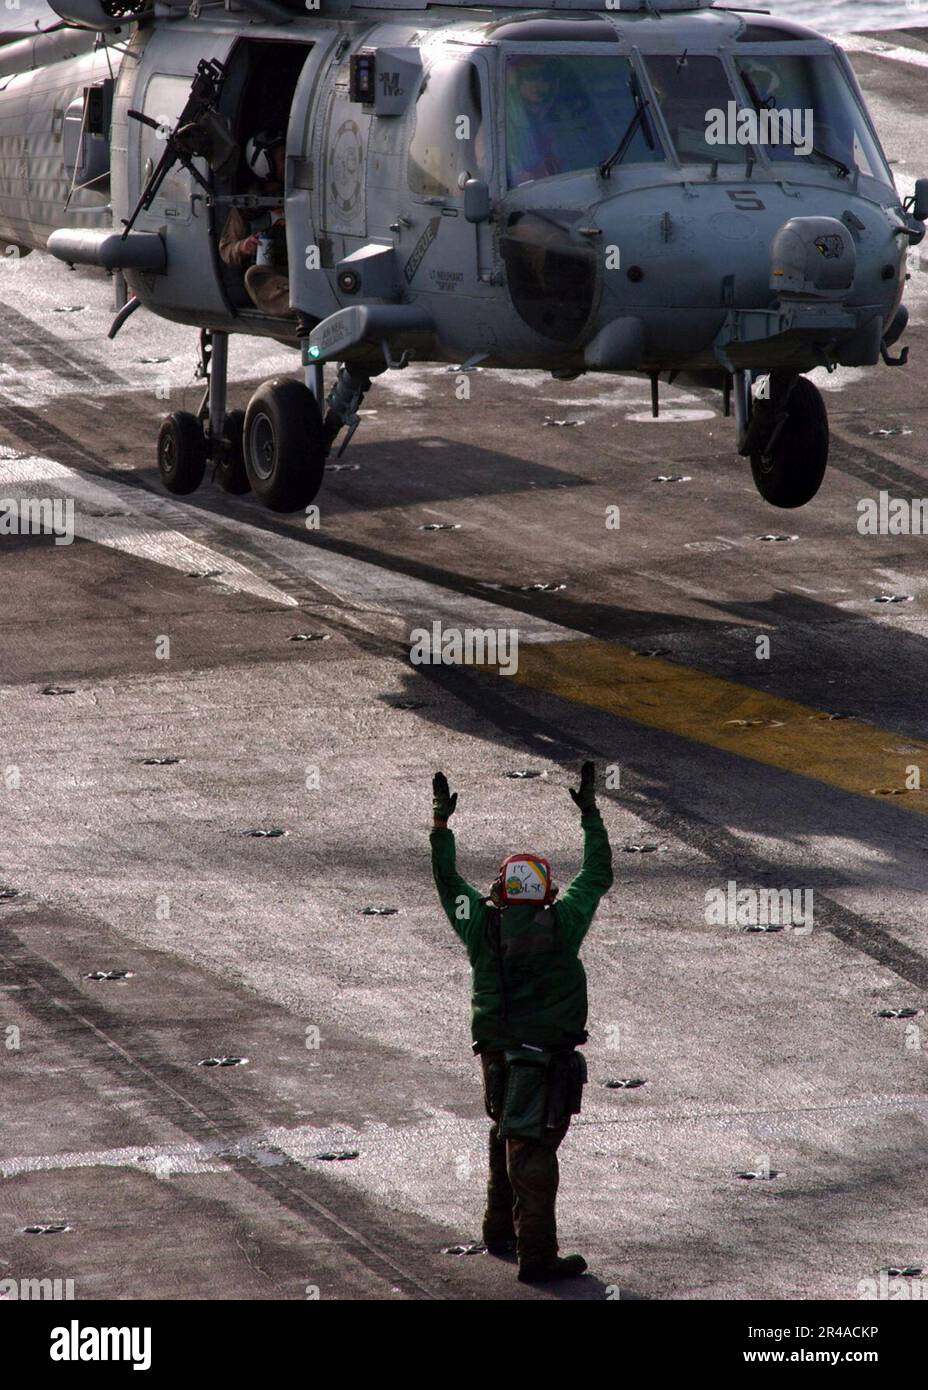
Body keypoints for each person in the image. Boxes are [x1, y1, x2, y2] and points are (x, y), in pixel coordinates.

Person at [430, 761, 613, 1283]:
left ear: (501, 892)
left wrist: (442, 825)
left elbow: (447, 881)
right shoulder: (565, 921)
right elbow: (598, 875)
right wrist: (591, 817)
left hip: (495, 1051)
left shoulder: (481, 926)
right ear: (547, 893)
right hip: (544, 1054)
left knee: (505, 1131)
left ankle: (499, 1230)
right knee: (531, 1149)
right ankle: (536, 1256)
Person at [218, 131, 293, 319]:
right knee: (255, 276)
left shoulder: (302, 192)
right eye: (283, 159)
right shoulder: (249, 206)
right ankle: (299, 304)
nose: (289, 164)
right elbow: (226, 249)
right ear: (265, 165)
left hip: (310, 261)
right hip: (281, 272)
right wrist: (244, 246)